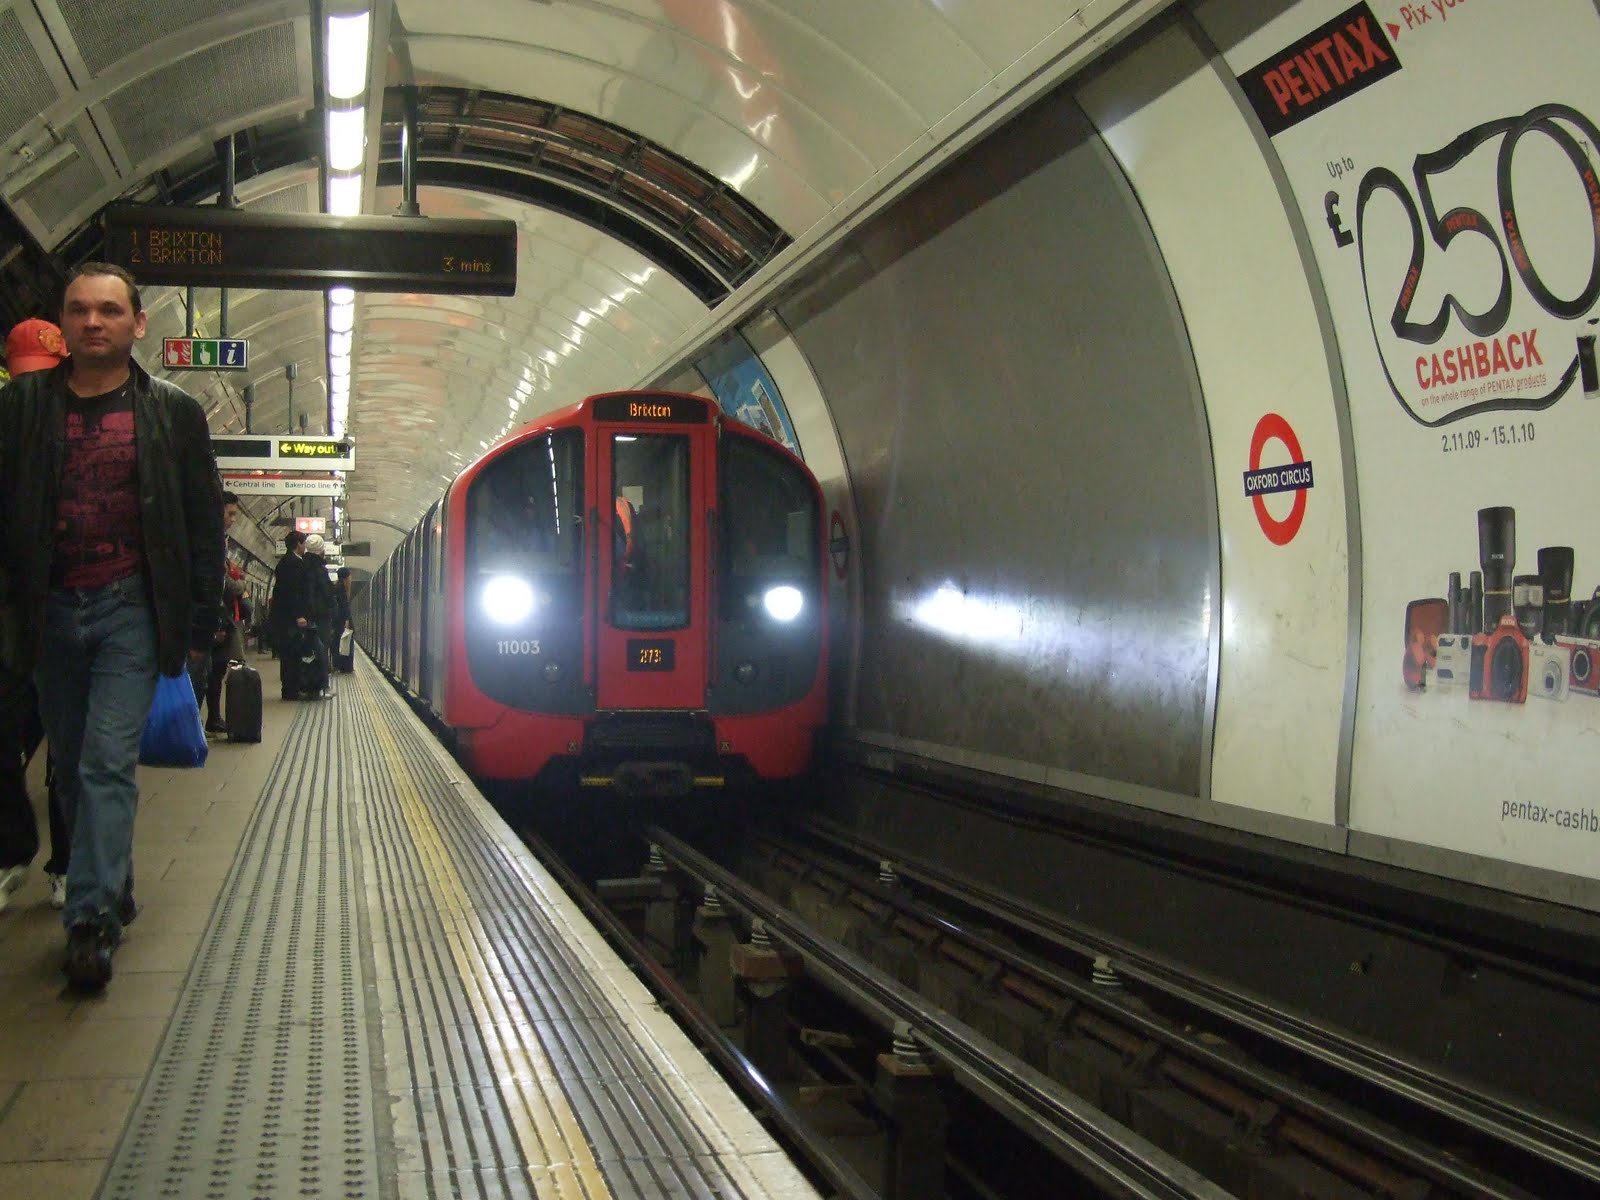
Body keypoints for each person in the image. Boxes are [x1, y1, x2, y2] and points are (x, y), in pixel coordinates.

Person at [0, 263, 224, 989]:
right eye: (78, 310)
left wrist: (199, 625)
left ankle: (90, 920)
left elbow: (200, 522)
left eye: (107, 310)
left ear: (138, 324)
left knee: (101, 762)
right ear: (62, 324)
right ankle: (113, 877)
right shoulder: (21, 408)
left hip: (133, 605)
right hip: (47, 611)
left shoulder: (175, 413)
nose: (92, 322)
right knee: (68, 767)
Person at [0, 318, 69, 911]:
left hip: (57, 615)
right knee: (72, 754)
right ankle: (57, 863)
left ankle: (33, 852)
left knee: (66, 753)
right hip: (49, 614)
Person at [203, 493, 248, 734]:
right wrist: (241, 585)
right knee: (205, 674)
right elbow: (217, 584)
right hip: (210, 619)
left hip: (214, 618)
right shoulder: (209, 540)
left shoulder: (219, 539)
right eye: (230, 513)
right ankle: (201, 723)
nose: (232, 519)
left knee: (213, 672)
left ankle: (211, 719)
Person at [332, 567, 355, 672]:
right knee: (345, 643)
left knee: (340, 643)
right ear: (346, 577)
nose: (351, 579)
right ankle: (345, 666)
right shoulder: (341, 589)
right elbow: (343, 606)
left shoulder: (337, 587)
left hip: (339, 621)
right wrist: (346, 620)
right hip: (342, 621)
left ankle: (341, 665)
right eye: (350, 576)